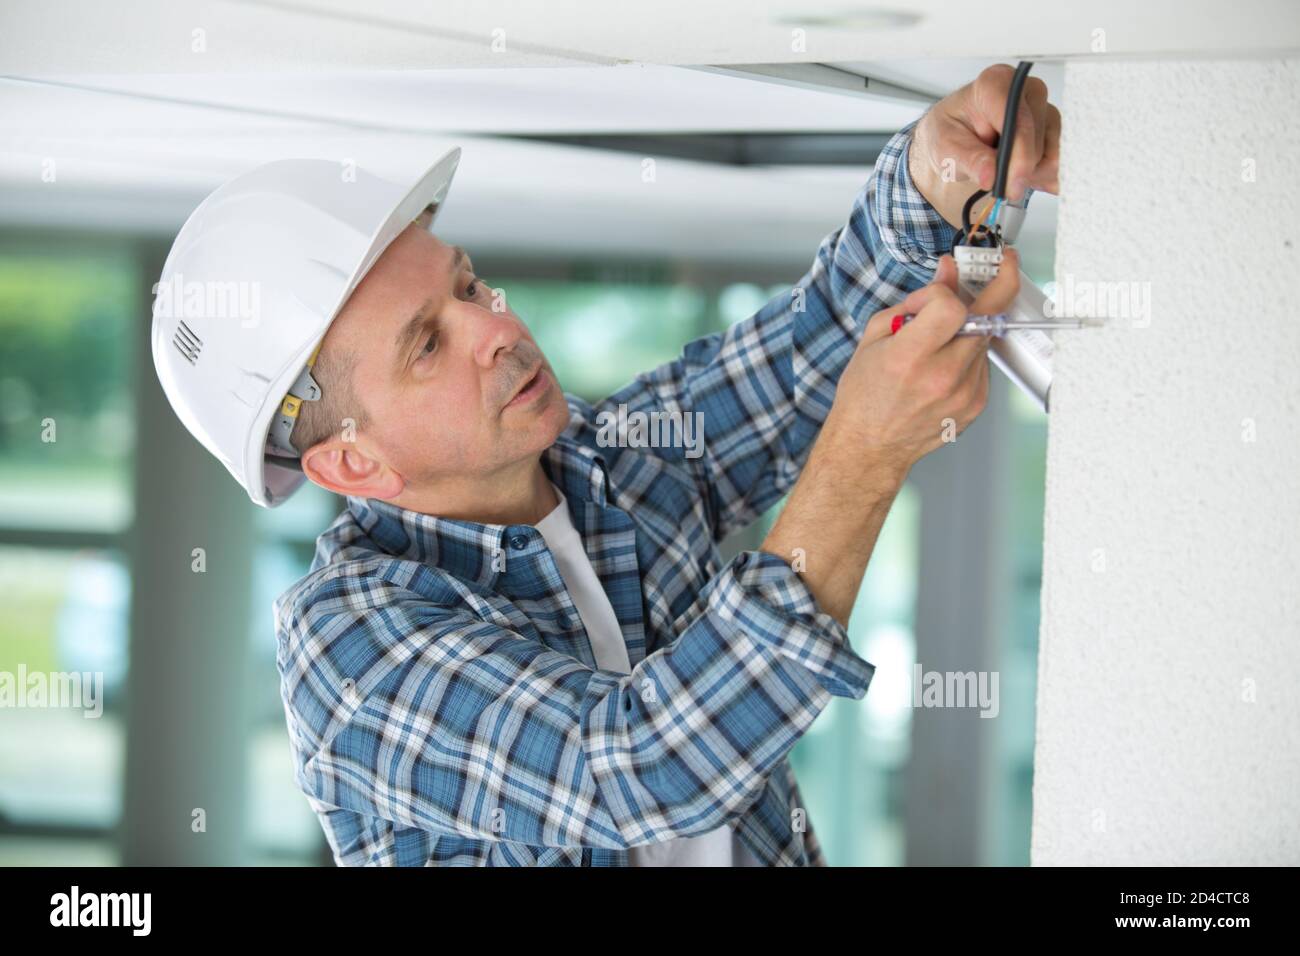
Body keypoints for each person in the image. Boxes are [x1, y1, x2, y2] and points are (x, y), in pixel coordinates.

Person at [153, 64, 1059, 866]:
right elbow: (643, 768)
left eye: (466, 287)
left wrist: (934, 179)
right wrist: (862, 461)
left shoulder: (608, 457)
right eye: (428, 343)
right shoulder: (349, 645)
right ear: (352, 465)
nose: (498, 327)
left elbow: (800, 359)